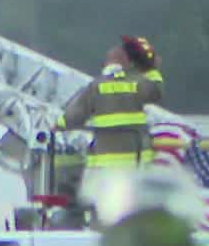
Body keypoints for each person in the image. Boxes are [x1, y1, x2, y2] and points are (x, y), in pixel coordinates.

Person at [54, 36, 164, 211]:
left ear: (108, 63)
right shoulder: (136, 83)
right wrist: (151, 68)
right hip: (134, 160)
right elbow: (156, 91)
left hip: (104, 160)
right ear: (127, 62)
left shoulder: (96, 86)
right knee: (131, 205)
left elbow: (75, 115)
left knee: (105, 206)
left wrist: (57, 125)